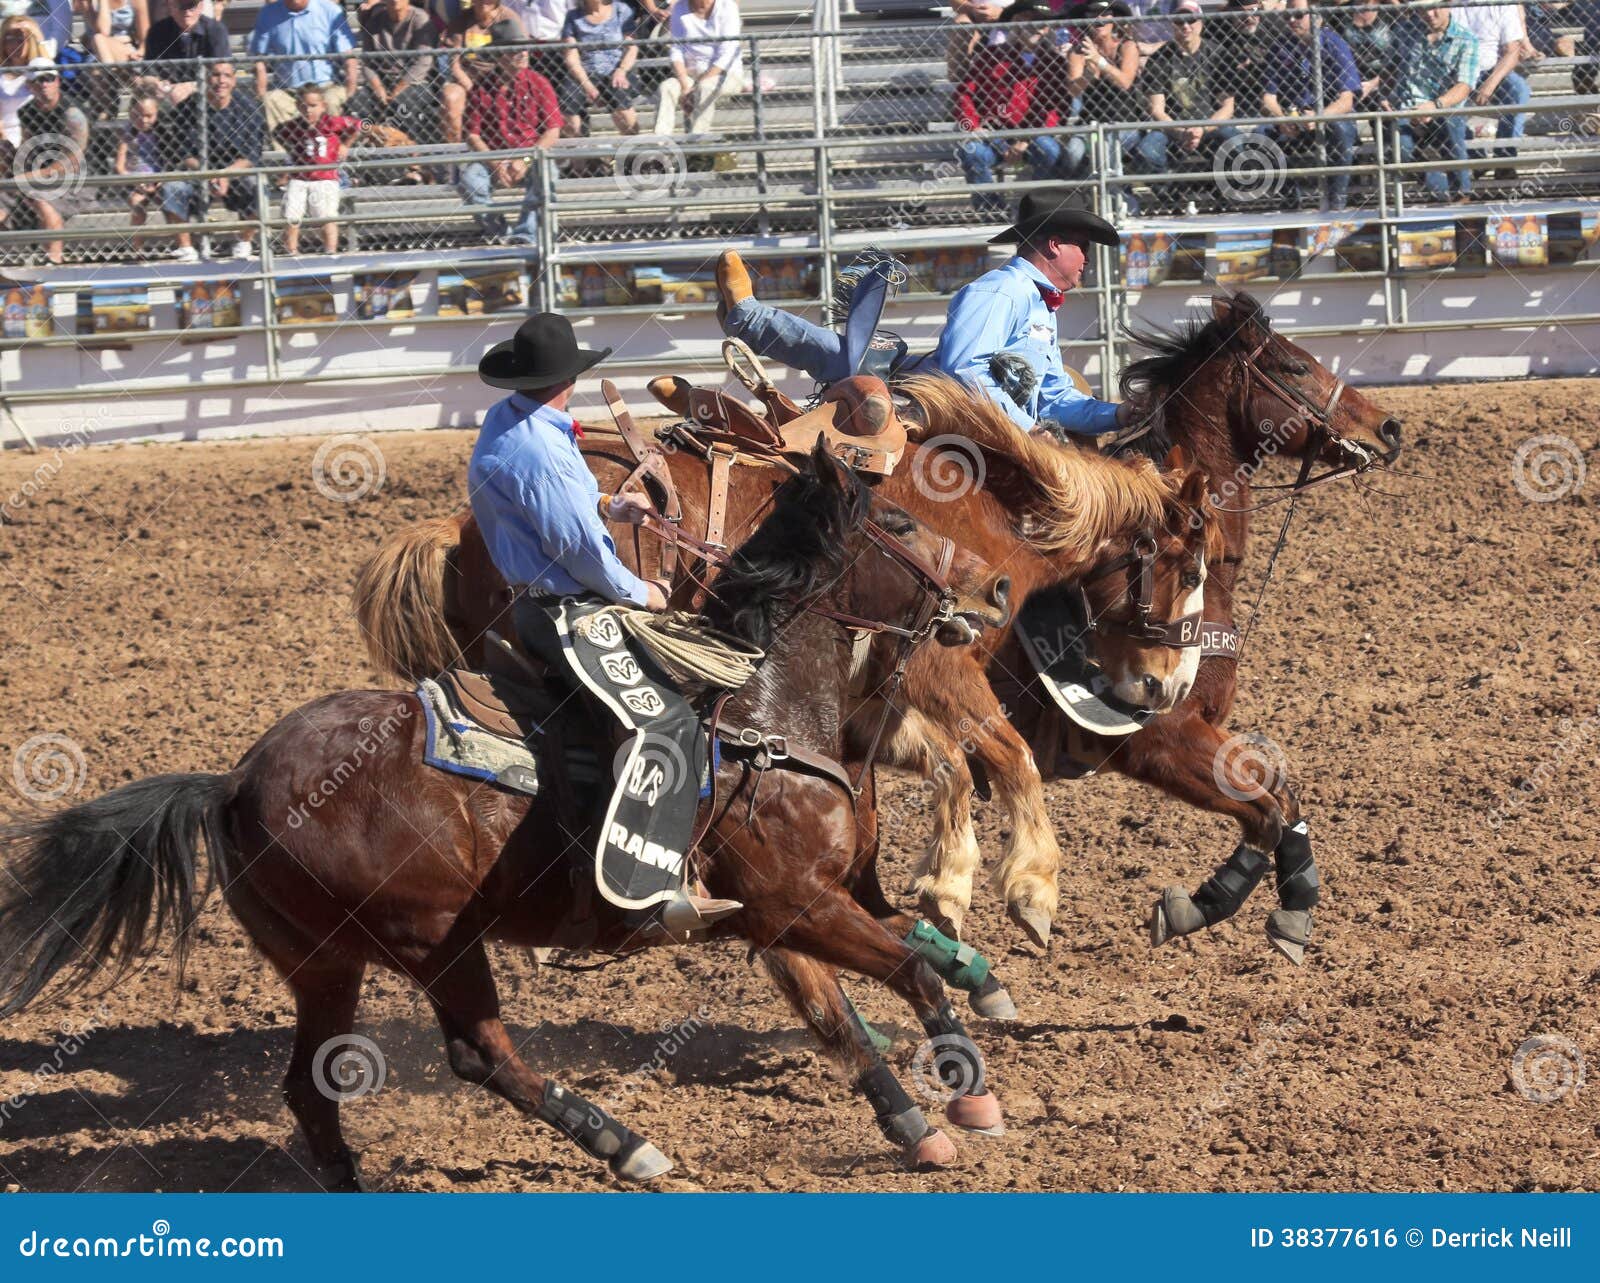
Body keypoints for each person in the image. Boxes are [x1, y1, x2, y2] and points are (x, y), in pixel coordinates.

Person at [467, 311, 741, 944]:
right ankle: (648, 884)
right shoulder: (541, 448)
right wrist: (640, 591)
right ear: (569, 378)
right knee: (670, 719)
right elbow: (579, 551)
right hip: (570, 611)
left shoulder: (509, 420)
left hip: (533, 601)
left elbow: (545, 508)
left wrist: (606, 503)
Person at [716, 193, 1147, 438]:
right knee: (847, 357)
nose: (1088, 259)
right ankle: (748, 318)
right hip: (950, 417)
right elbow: (965, 369)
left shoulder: (1037, 304)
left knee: (849, 355)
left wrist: (1116, 415)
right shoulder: (1000, 291)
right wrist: (1024, 429)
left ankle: (746, 317)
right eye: (1083, 248)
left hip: (986, 423)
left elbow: (1052, 396)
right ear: (1054, 245)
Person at [953, 3, 1059, 214]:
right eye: (1023, 20)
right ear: (1014, 24)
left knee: (1050, 151)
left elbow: (1053, 109)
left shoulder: (1052, 61)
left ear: (1046, 28)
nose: (1030, 26)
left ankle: (1035, 209)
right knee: (970, 151)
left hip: (1033, 136)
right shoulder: (990, 56)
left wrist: (1024, 140)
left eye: (1036, 21)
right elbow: (963, 94)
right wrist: (973, 127)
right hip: (993, 134)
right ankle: (991, 211)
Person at [1261, 0, 1360, 210]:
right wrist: (1282, 119)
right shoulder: (1279, 47)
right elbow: (1268, 99)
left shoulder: (1334, 43)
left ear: (1316, 17)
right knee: (1260, 133)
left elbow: (1346, 100)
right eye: (1287, 16)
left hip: (1328, 118)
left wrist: (1318, 116)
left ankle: (1336, 201)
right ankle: (1291, 198)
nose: (1291, 20)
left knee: (1342, 130)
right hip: (1294, 119)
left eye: (1298, 15)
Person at [162, 59, 264, 259]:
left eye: (227, 75)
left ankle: (244, 242)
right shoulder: (188, 108)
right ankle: (186, 247)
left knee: (258, 186)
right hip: (198, 172)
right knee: (172, 187)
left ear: (234, 80)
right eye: (215, 75)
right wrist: (208, 175)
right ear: (206, 79)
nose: (221, 81)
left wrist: (224, 175)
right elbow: (183, 154)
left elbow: (251, 156)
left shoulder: (248, 108)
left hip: (235, 173)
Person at [458, 46, 560, 245]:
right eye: (514, 51)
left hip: (531, 155)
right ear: (499, 56)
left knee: (548, 172)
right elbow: (472, 135)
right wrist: (495, 164)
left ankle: (526, 234)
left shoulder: (539, 82)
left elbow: (552, 132)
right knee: (469, 179)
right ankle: (499, 231)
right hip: (491, 157)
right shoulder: (481, 87)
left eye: (525, 50)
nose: (523, 55)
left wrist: (525, 160)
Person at [1033, 1, 1142, 182]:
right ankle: (1085, 194)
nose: (1098, 19)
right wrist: (1089, 75)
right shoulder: (1079, 51)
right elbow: (1073, 90)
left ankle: (1119, 198)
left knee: (1106, 151)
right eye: (1093, 15)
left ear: (1113, 18)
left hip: (1125, 121)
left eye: (1104, 14)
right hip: (1090, 121)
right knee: (1073, 153)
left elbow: (1125, 83)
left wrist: (1101, 62)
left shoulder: (1127, 45)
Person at [1137, 1, 1239, 186]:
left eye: (1190, 20)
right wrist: (1181, 131)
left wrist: (1202, 129)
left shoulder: (1218, 54)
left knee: (1237, 143)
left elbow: (1227, 107)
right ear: (1172, 25)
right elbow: (1157, 111)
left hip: (1210, 124)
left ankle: (1225, 195)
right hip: (1172, 128)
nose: (1185, 26)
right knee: (1148, 149)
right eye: (1179, 21)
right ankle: (1171, 196)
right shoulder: (1159, 59)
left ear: (1201, 22)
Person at [1391, 1, 1476, 201]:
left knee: (1451, 123)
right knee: (1400, 147)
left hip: (1445, 108)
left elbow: (1464, 86)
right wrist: (1387, 97)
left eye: (1434, 7)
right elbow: (1391, 67)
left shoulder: (1466, 39)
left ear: (1448, 5)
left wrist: (1434, 106)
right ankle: (1438, 184)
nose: (1429, 14)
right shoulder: (1405, 32)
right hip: (1409, 107)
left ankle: (1462, 193)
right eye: (1422, 9)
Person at [10, 56, 88, 263]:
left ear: (57, 81)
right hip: (41, 173)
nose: (44, 84)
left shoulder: (72, 112)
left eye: (49, 78)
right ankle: (12, 257)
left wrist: (35, 175)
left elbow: (75, 157)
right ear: (29, 85)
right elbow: (26, 148)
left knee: (41, 199)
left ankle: (54, 258)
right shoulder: (27, 112)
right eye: (38, 80)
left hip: (79, 176)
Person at [273, 81, 362, 252]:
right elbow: (278, 132)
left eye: (313, 106)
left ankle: (330, 251)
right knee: (291, 215)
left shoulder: (332, 122)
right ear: (298, 106)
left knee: (326, 217)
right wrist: (292, 148)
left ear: (323, 106)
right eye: (303, 106)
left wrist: (345, 144)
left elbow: (361, 125)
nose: (308, 110)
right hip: (299, 177)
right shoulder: (294, 126)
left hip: (325, 177)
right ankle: (291, 252)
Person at [249, 0, 358, 129]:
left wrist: (350, 93)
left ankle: (331, 147)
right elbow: (259, 59)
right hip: (288, 91)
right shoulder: (268, 14)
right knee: (271, 100)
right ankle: (284, 149)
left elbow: (348, 56)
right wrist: (261, 94)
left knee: (331, 100)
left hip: (325, 87)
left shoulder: (331, 11)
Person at [349, 0, 437, 142]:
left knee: (403, 104)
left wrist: (398, 89)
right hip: (382, 81)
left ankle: (412, 150)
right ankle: (368, 148)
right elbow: (367, 62)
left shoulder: (419, 18)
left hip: (415, 82)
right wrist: (378, 88)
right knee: (357, 102)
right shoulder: (375, 21)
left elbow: (423, 62)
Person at [654, 0, 743, 139]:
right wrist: (684, 84)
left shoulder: (727, 7)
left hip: (725, 75)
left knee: (705, 87)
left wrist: (697, 85)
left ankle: (698, 145)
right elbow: (676, 49)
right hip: (690, 75)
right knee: (667, 87)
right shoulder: (679, 7)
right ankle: (659, 144)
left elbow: (726, 55)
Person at [1454, 2, 1530, 164]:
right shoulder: (1450, 5)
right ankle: (1474, 157)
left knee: (1518, 89)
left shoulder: (1502, 4)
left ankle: (1505, 158)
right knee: (1451, 105)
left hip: (1489, 68)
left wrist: (1490, 84)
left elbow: (1513, 50)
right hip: (1455, 70)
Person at [561, 0, 640, 138]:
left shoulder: (621, 10)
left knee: (619, 96)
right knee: (569, 100)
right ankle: (582, 155)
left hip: (618, 68)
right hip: (585, 71)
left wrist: (621, 70)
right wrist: (588, 86)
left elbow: (632, 47)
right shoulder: (573, 16)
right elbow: (571, 56)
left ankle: (633, 150)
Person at [144, 0, 229, 104]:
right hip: (168, 98)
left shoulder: (216, 30)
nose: (187, 11)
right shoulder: (157, 32)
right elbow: (148, 74)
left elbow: (223, 74)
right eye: (181, 6)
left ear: (201, 6)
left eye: (192, 6)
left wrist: (191, 86)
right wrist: (160, 86)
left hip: (206, 97)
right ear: (171, 6)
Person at [116, 90, 168, 256]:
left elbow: (169, 161)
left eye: (148, 116)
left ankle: (182, 243)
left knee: (172, 200)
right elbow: (119, 166)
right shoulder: (127, 134)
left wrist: (161, 180)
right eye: (137, 115)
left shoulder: (163, 132)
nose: (143, 120)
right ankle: (137, 249)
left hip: (159, 179)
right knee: (137, 204)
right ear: (131, 114)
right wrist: (134, 181)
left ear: (157, 114)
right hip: (137, 181)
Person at [1333, 0, 1402, 112]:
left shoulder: (1390, 11)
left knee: (1388, 111)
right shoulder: (1342, 13)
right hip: (1349, 82)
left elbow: (1399, 59)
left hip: (1383, 81)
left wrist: (1373, 84)